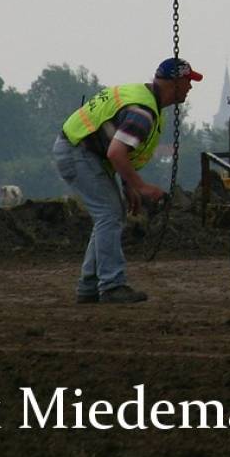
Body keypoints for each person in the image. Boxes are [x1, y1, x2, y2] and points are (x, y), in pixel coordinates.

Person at [51, 57, 202, 304]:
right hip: (78, 152)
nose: (190, 87)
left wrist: (127, 184)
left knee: (108, 214)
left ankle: (89, 286)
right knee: (109, 214)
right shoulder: (143, 112)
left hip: (80, 148)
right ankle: (111, 286)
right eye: (188, 81)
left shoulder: (141, 99)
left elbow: (115, 144)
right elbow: (116, 152)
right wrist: (140, 186)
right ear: (174, 83)